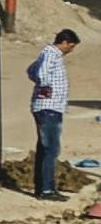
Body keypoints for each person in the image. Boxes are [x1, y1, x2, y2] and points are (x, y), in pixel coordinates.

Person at [31, 26, 79, 198]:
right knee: (51, 149)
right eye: (70, 47)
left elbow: (31, 71)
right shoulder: (51, 53)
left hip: (49, 107)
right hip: (48, 108)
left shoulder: (47, 54)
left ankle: (42, 187)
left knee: (45, 148)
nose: (70, 51)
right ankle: (47, 189)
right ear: (65, 42)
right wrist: (46, 88)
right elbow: (41, 74)